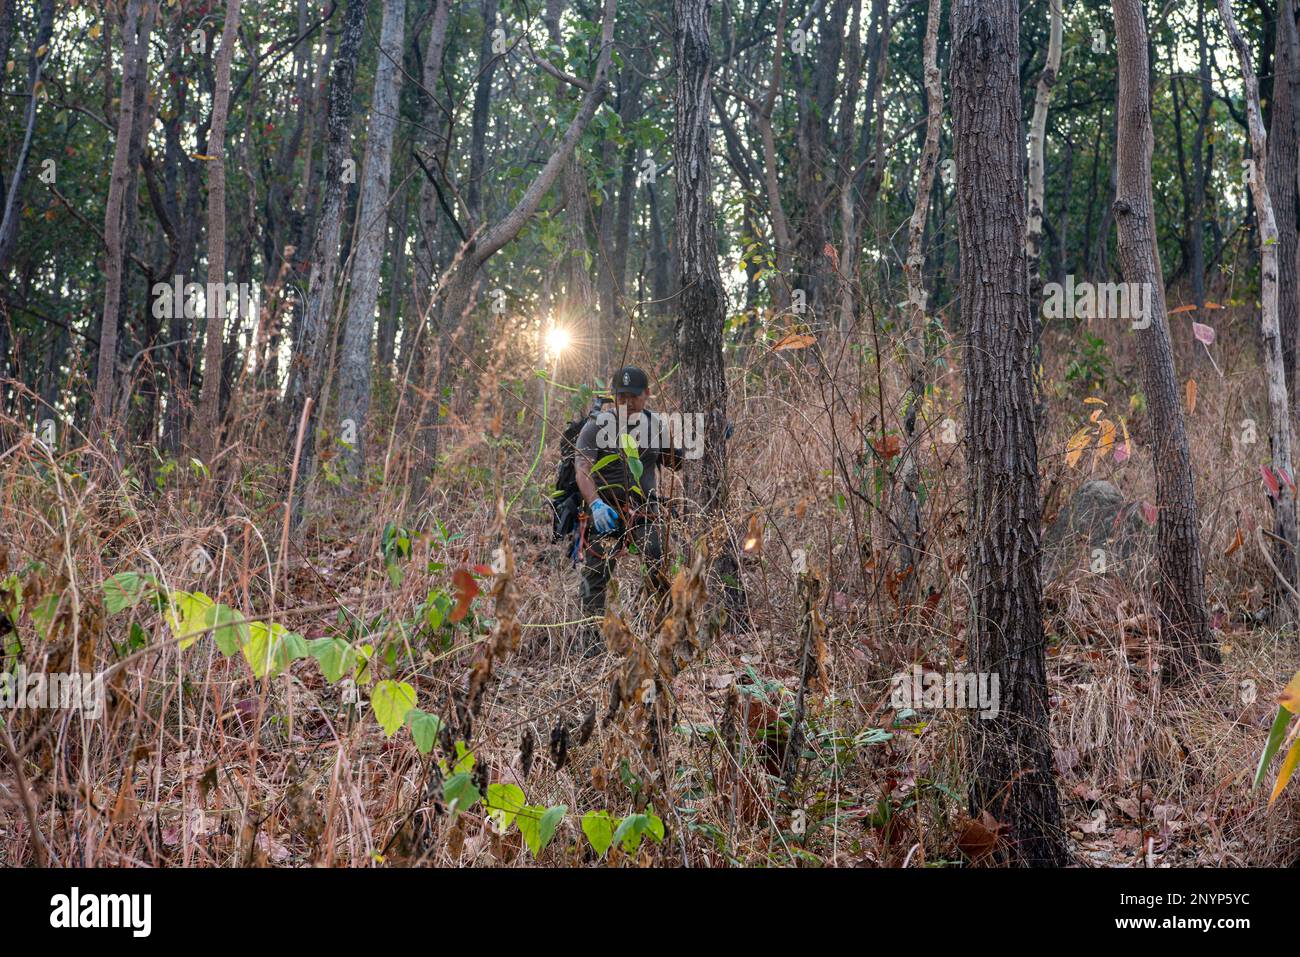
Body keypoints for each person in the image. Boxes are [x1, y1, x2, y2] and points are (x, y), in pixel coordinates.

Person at [574, 366, 683, 642]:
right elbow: (582, 468)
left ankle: (659, 631)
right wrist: (596, 504)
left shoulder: (655, 425)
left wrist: (714, 438)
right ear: (613, 396)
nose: (628, 403)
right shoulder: (596, 425)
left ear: (646, 394)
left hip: (644, 510)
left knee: (656, 558)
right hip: (606, 511)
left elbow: (673, 462)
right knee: (596, 573)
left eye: (634, 396)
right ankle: (590, 639)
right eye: (621, 397)